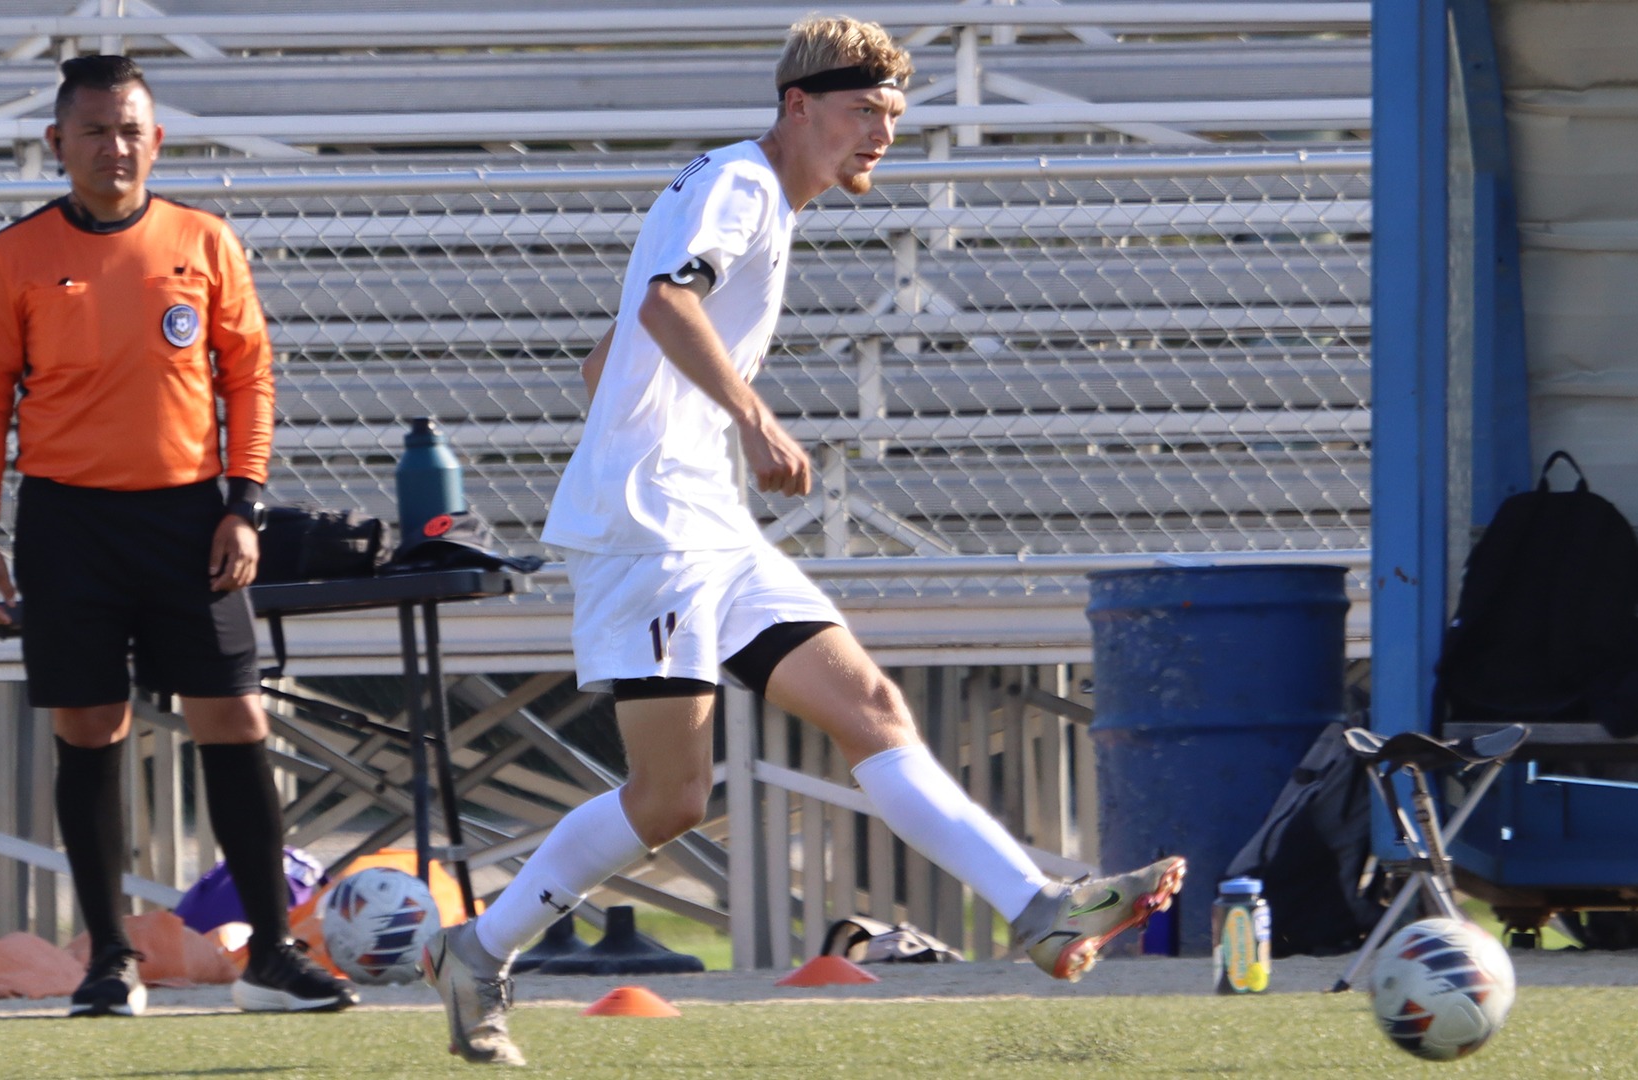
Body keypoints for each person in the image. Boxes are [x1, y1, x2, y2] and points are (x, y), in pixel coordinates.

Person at [423, 16, 1185, 1066]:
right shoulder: (741, 185)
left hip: (703, 518)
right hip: (654, 527)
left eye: (894, 116)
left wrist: (671, 417)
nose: (881, 133)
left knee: (870, 707)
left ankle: (1038, 907)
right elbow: (659, 303)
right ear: (797, 107)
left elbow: (611, 355)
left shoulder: (750, 195)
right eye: (863, 112)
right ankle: (481, 948)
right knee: (669, 798)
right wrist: (750, 418)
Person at [0, 55, 356, 1018]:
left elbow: (249, 378)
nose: (114, 147)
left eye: (131, 129)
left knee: (237, 716)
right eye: (94, 131)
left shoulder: (204, 241)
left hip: (189, 517)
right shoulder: (15, 254)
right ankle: (109, 962)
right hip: (68, 524)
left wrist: (244, 505)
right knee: (90, 728)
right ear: (57, 144)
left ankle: (269, 954)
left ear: (157, 139)